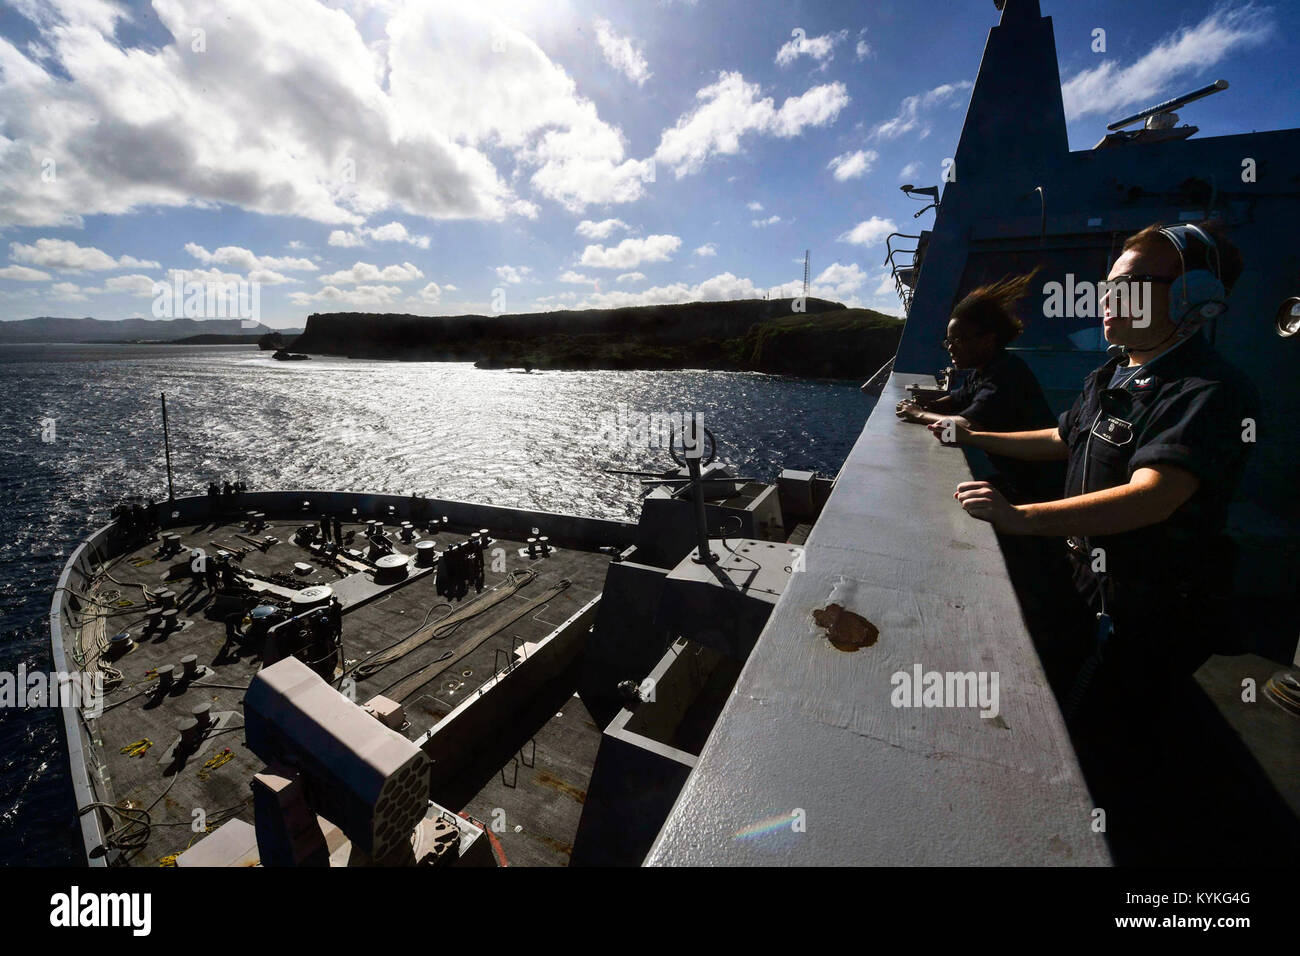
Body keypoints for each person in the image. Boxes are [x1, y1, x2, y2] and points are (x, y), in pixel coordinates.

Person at [928, 221, 1259, 861]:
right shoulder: (1112, 374)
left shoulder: (1207, 392)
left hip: (1143, 613)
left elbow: (1155, 493)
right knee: (1067, 727)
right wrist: (965, 434)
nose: (1107, 301)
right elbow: (1059, 439)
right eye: (1108, 287)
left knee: (1104, 754)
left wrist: (1025, 515)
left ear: (1193, 296)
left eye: (1131, 287)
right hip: (1085, 585)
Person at [897, 270, 1061, 502]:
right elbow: (958, 397)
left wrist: (918, 414)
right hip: (1019, 477)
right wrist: (932, 403)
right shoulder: (985, 369)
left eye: (958, 340)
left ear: (987, 339)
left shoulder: (1005, 375)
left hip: (1039, 488)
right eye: (948, 341)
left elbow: (964, 426)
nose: (951, 348)